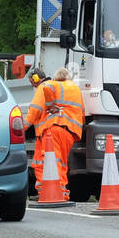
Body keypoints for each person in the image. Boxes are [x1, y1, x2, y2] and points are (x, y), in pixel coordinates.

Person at [25, 67, 84, 199]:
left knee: (50, 162)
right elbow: (82, 112)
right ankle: (55, 192)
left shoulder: (47, 85)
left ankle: (54, 192)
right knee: (60, 162)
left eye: (31, 82)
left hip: (52, 129)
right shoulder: (75, 89)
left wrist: (22, 128)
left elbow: (35, 109)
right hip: (70, 131)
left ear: (34, 79)